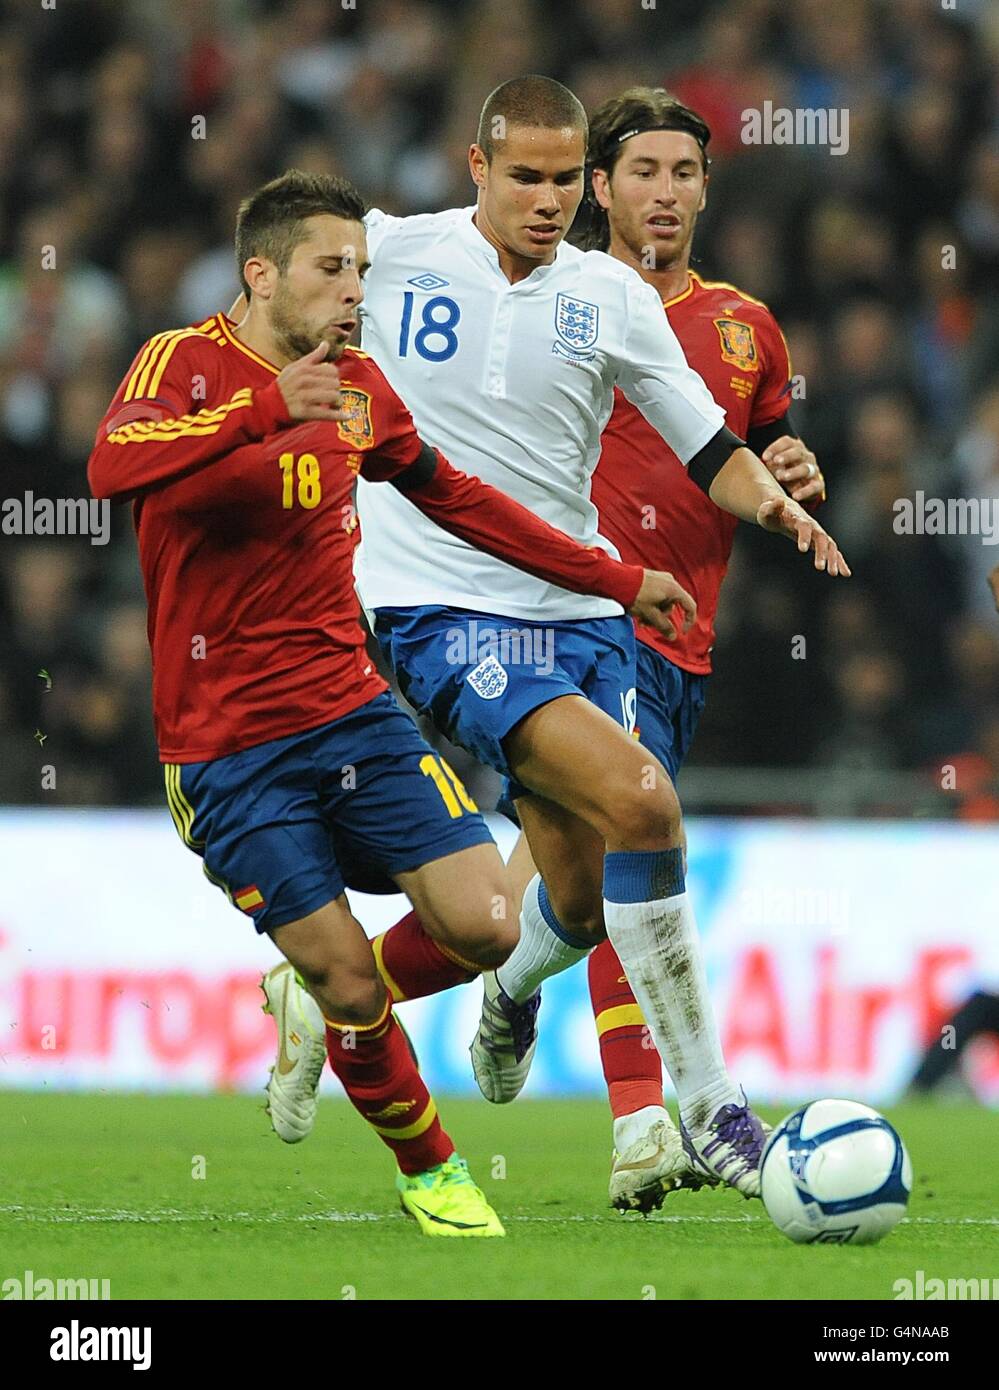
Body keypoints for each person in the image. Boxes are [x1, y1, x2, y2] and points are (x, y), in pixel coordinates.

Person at [267, 74, 848, 1200]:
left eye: (560, 178)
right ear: (477, 168)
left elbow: (707, 441)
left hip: (586, 613)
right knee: (644, 799)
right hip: (441, 611)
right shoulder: (392, 251)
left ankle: (331, 992)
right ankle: (700, 1110)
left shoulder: (615, 302)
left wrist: (772, 502)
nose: (544, 199)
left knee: (569, 907)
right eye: (523, 176)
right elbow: (276, 285)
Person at [87, 167, 694, 1238]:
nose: (353, 291)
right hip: (228, 748)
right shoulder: (183, 363)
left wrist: (610, 574)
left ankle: (309, 1004)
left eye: (360, 270)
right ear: (261, 273)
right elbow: (109, 462)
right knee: (352, 988)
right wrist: (264, 409)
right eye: (330, 269)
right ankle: (432, 1171)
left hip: (354, 716)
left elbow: (456, 497)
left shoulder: (361, 383)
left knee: (487, 923)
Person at [577, 87, 828, 1209]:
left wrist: (794, 465)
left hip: (689, 637)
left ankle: (503, 991)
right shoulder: (560, 300)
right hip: (579, 615)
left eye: (683, 172)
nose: (665, 192)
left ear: (706, 189)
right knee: (621, 835)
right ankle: (657, 1114)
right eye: (642, 172)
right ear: (600, 188)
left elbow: (760, 438)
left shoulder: (744, 325)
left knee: (573, 886)